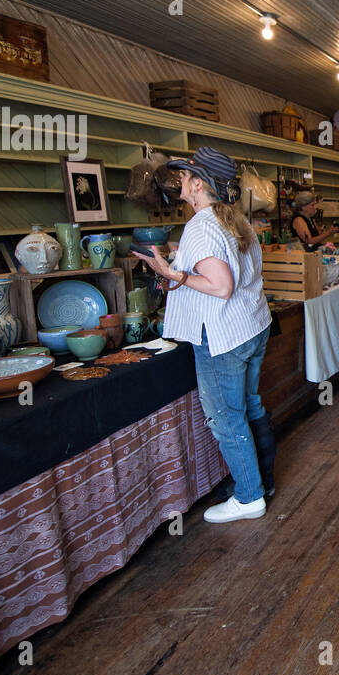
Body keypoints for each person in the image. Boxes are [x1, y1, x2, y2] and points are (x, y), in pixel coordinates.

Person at [142, 147, 277, 524]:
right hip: (252, 325)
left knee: (227, 419)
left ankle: (249, 497)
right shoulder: (236, 219)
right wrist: (182, 259)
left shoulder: (201, 226)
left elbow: (220, 287)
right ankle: (262, 482)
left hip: (223, 335)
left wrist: (173, 274)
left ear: (199, 183)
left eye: (185, 176)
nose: (180, 182)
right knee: (249, 406)